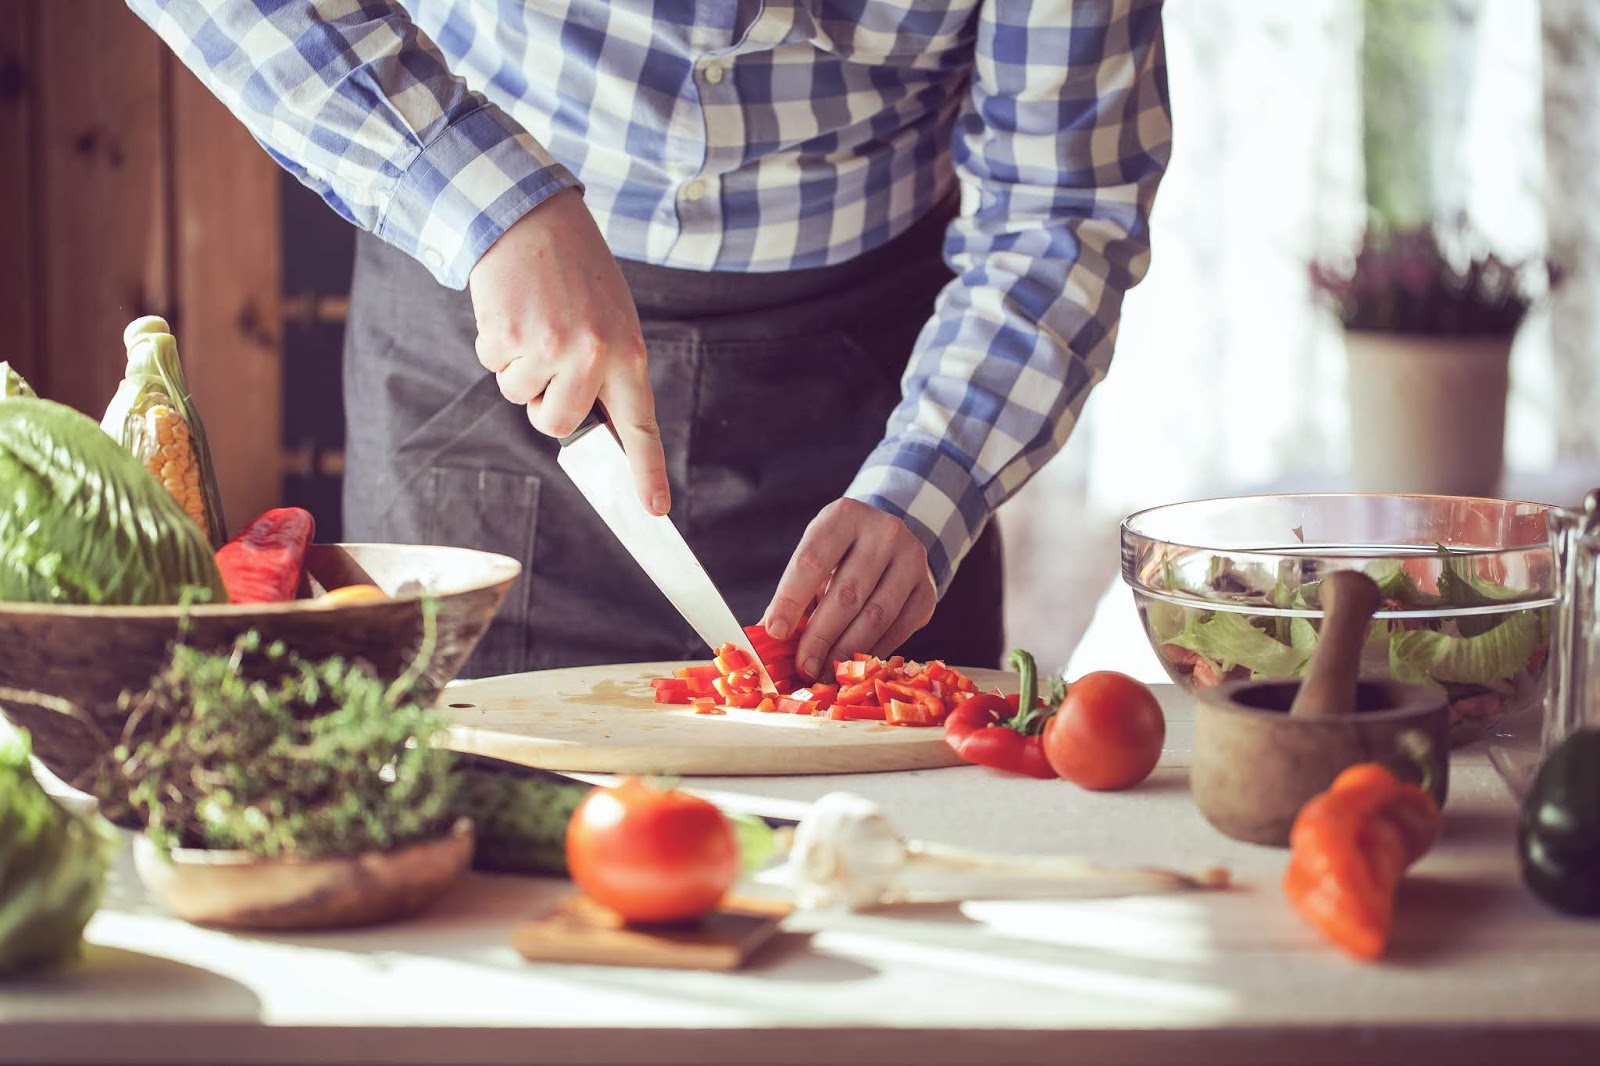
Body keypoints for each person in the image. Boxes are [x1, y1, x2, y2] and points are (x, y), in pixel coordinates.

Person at [129, 0, 1171, 680]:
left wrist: (931, 482)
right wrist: (480, 193)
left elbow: (1062, 208)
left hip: (883, 402)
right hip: (479, 358)